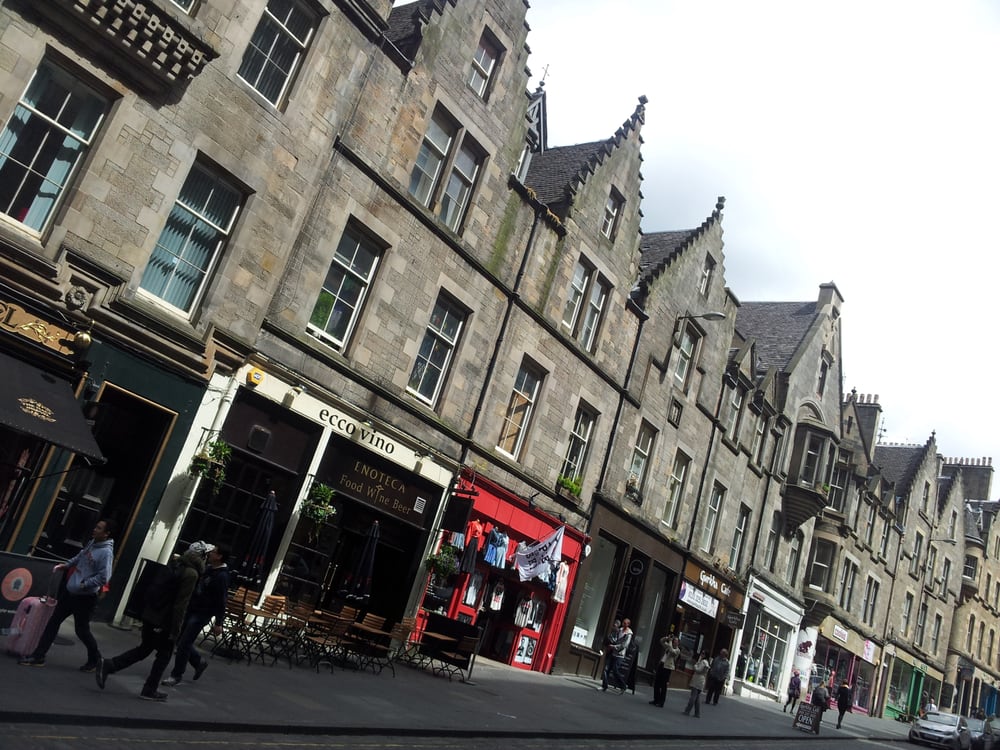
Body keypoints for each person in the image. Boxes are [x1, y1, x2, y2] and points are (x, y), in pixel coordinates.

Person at [96, 541, 208, 701]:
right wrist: (176, 629)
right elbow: (180, 604)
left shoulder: (175, 564)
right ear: (202, 557)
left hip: (151, 614)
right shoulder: (191, 574)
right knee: (164, 655)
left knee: (145, 648)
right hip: (164, 621)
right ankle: (149, 689)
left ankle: (110, 665)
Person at [20, 519, 116, 671]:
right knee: (53, 622)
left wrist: (84, 584)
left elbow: (104, 577)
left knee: (82, 631)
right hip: (71, 593)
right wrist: (66, 565)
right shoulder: (92, 543)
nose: (94, 529)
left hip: (85, 598)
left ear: (106, 534)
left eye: (99, 528)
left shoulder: (106, 553)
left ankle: (96, 659)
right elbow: (80, 557)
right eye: (96, 526)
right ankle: (38, 656)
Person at [162, 545, 229, 687]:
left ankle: (176, 675)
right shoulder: (209, 569)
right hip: (192, 608)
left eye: (214, 552)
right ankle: (198, 662)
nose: (210, 554)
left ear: (219, 556)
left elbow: (221, 600)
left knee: (184, 643)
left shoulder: (222, 576)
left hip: (202, 613)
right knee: (181, 639)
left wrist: (219, 622)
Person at [650, 635, 681, 707]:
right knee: (657, 683)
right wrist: (667, 638)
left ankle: (661, 702)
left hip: (668, 668)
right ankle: (656, 699)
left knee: (663, 685)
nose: (674, 641)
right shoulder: (669, 646)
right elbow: (661, 641)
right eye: (674, 640)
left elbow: (672, 651)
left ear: (678, 643)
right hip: (662, 664)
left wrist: (670, 641)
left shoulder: (677, 650)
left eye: (676, 641)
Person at [682, 651, 710, 718]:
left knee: (693, 696)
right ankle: (697, 713)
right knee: (697, 697)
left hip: (697, 679)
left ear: (705, 655)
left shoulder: (703, 662)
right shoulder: (706, 662)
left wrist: (695, 665)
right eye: (701, 653)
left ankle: (687, 710)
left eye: (703, 653)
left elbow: (698, 670)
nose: (701, 654)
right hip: (701, 680)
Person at [599, 619, 623, 692]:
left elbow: (617, 643)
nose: (613, 626)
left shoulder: (618, 633)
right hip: (609, 652)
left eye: (615, 624)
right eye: (614, 624)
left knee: (608, 669)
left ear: (618, 625)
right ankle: (604, 685)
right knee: (606, 669)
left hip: (614, 654)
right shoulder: (612, 632)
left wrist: (611, 642)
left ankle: (621, 685)